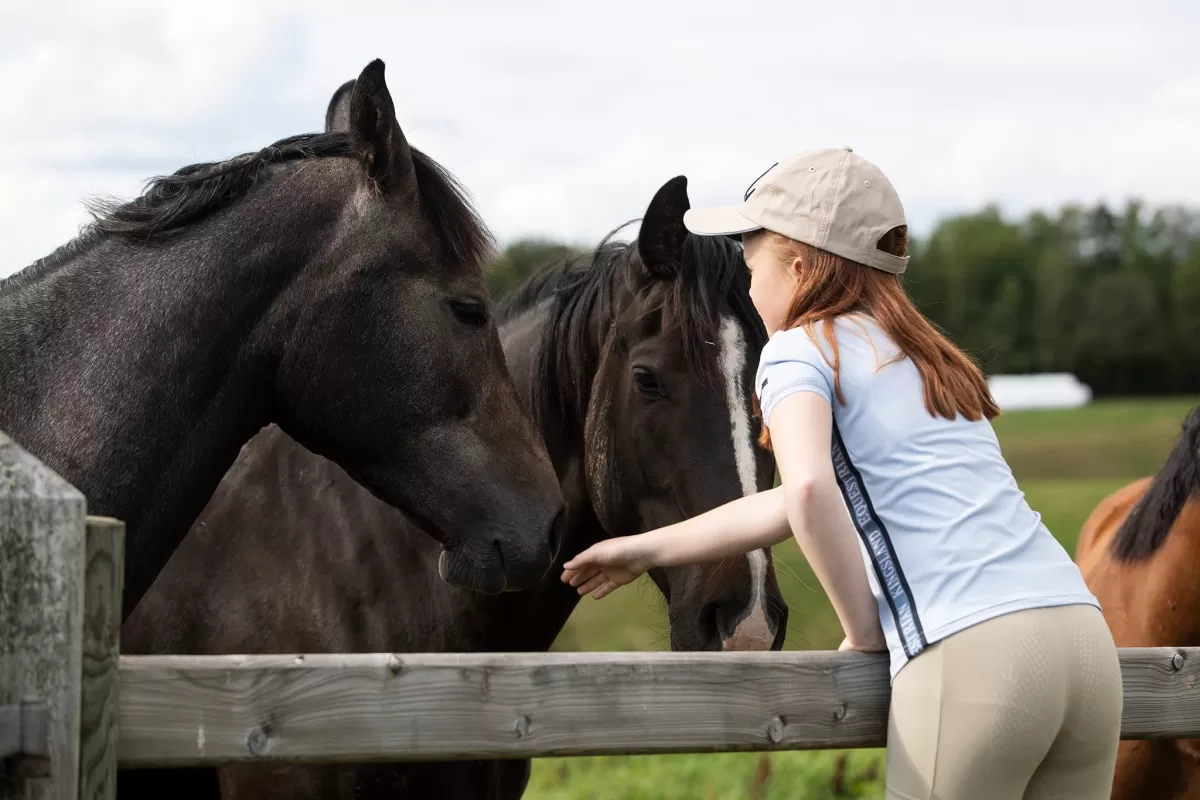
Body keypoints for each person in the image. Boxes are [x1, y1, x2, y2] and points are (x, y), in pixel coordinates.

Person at [560, 147, 1123, 799]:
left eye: (751, 268)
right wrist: (645, 549)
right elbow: (791, 502)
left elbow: (805, 491)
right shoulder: (922, 357)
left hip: (973, 657)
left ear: (797, 267)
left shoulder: (800, 349)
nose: (746, 289)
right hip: (1082, 644)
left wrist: (861, 631)